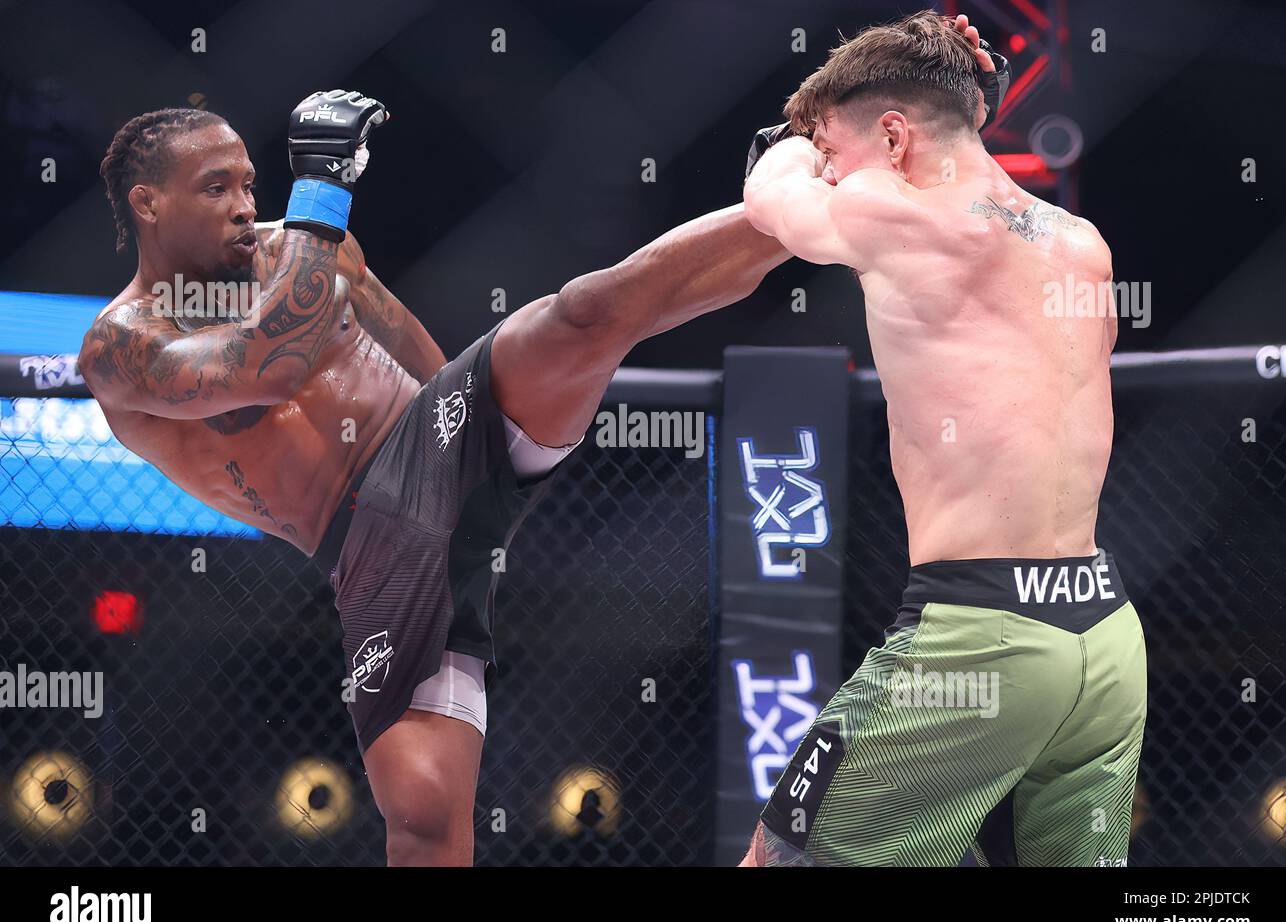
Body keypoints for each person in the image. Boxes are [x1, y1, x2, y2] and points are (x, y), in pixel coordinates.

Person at [79, 89, 791, 865]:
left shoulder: (305, 246)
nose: (247, 206)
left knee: (585, 315)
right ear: (147, 203)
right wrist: (321, 191)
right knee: (421, 812)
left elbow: (424, 356)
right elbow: (262, 367)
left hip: (436, 446)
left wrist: (480, 427)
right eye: (216, 188)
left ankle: (780, 209)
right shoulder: (124, 344)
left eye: (251, 183)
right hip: (365, 549)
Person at [740, 11, 1145, 866]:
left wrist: (788, 144)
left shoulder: (900, 215)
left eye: (836, 154)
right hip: (1105, 639)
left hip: (981, 634)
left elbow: (770, 203)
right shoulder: (1084, 246)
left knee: (782, 859)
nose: (832, 173)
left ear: (892, 138)